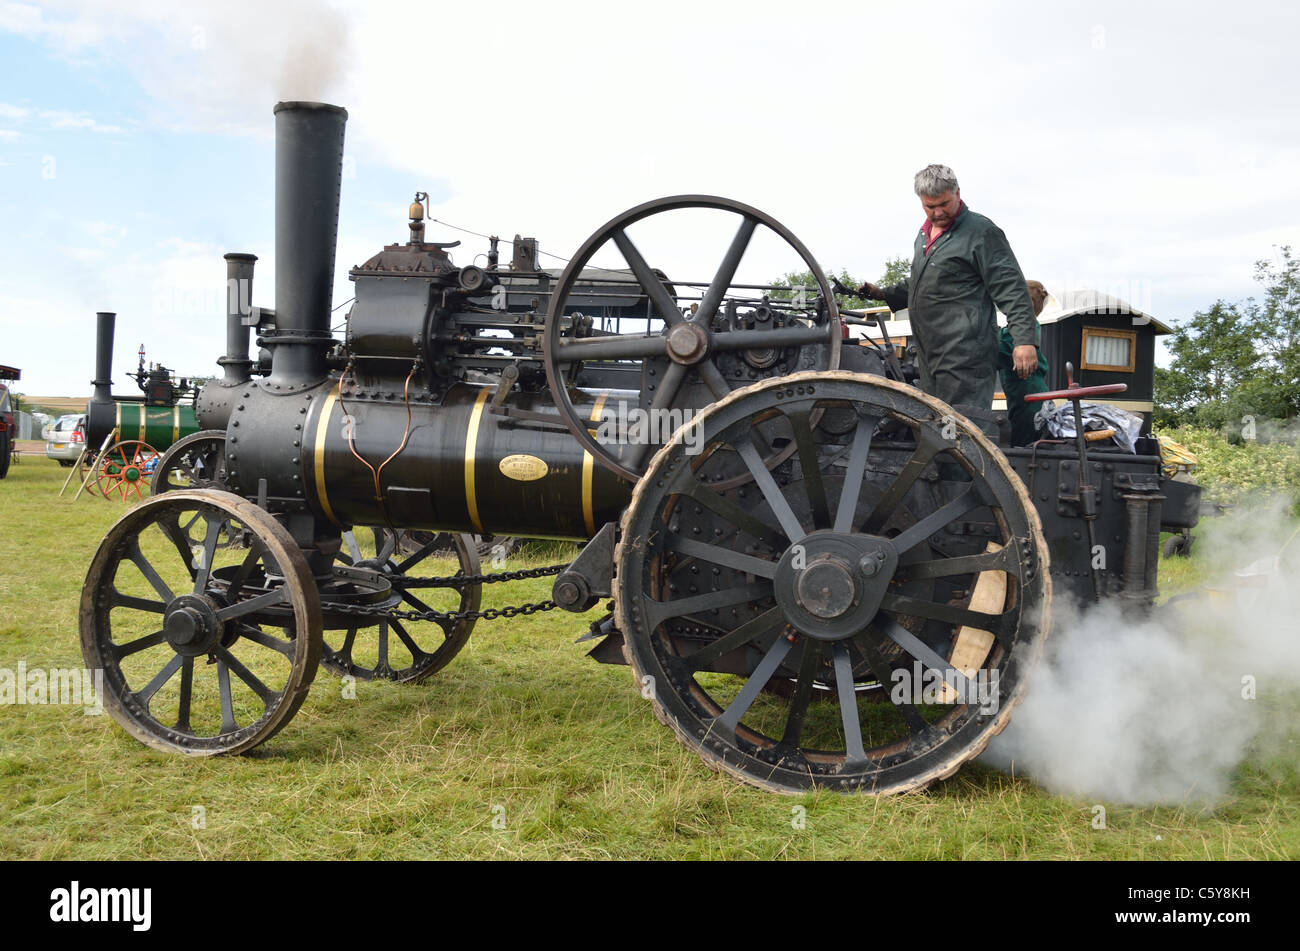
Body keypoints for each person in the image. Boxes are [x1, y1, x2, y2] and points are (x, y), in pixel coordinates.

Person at [858, 164, 1040, 415]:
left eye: (944, 204)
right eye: (930, 207)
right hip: (929, 352)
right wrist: (884, 294)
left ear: (957, 193)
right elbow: (924, 281)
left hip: (966, 355)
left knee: (961, 428)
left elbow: (1012, 289)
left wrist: (1024, 341)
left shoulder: (982, 233)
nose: (938, 212)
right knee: (937, 426)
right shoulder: (923, 236)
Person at [999, 279, 1051, 445]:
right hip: (1024, 395)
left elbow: (997, 351)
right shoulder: (1018, 328)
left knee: (1023, 442)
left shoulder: (1025, 327)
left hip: (1028, 398)